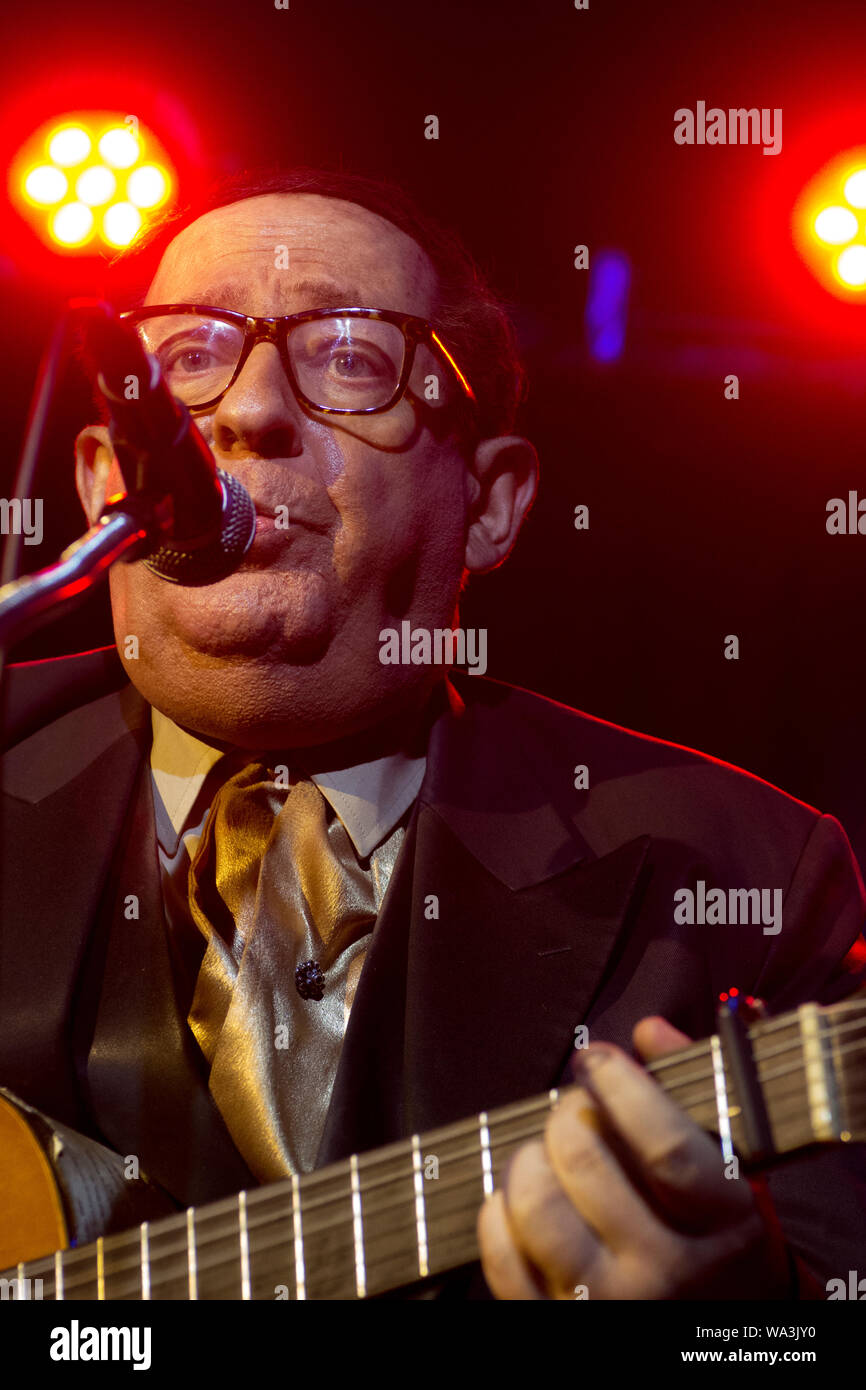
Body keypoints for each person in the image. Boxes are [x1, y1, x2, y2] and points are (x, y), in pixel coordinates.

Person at [1, 168, 864, 1301]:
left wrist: (737, 1305)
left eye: (349, 357)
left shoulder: (743, 873)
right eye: (188, 359)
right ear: (107, 479)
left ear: (492, 504)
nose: (246, 412)